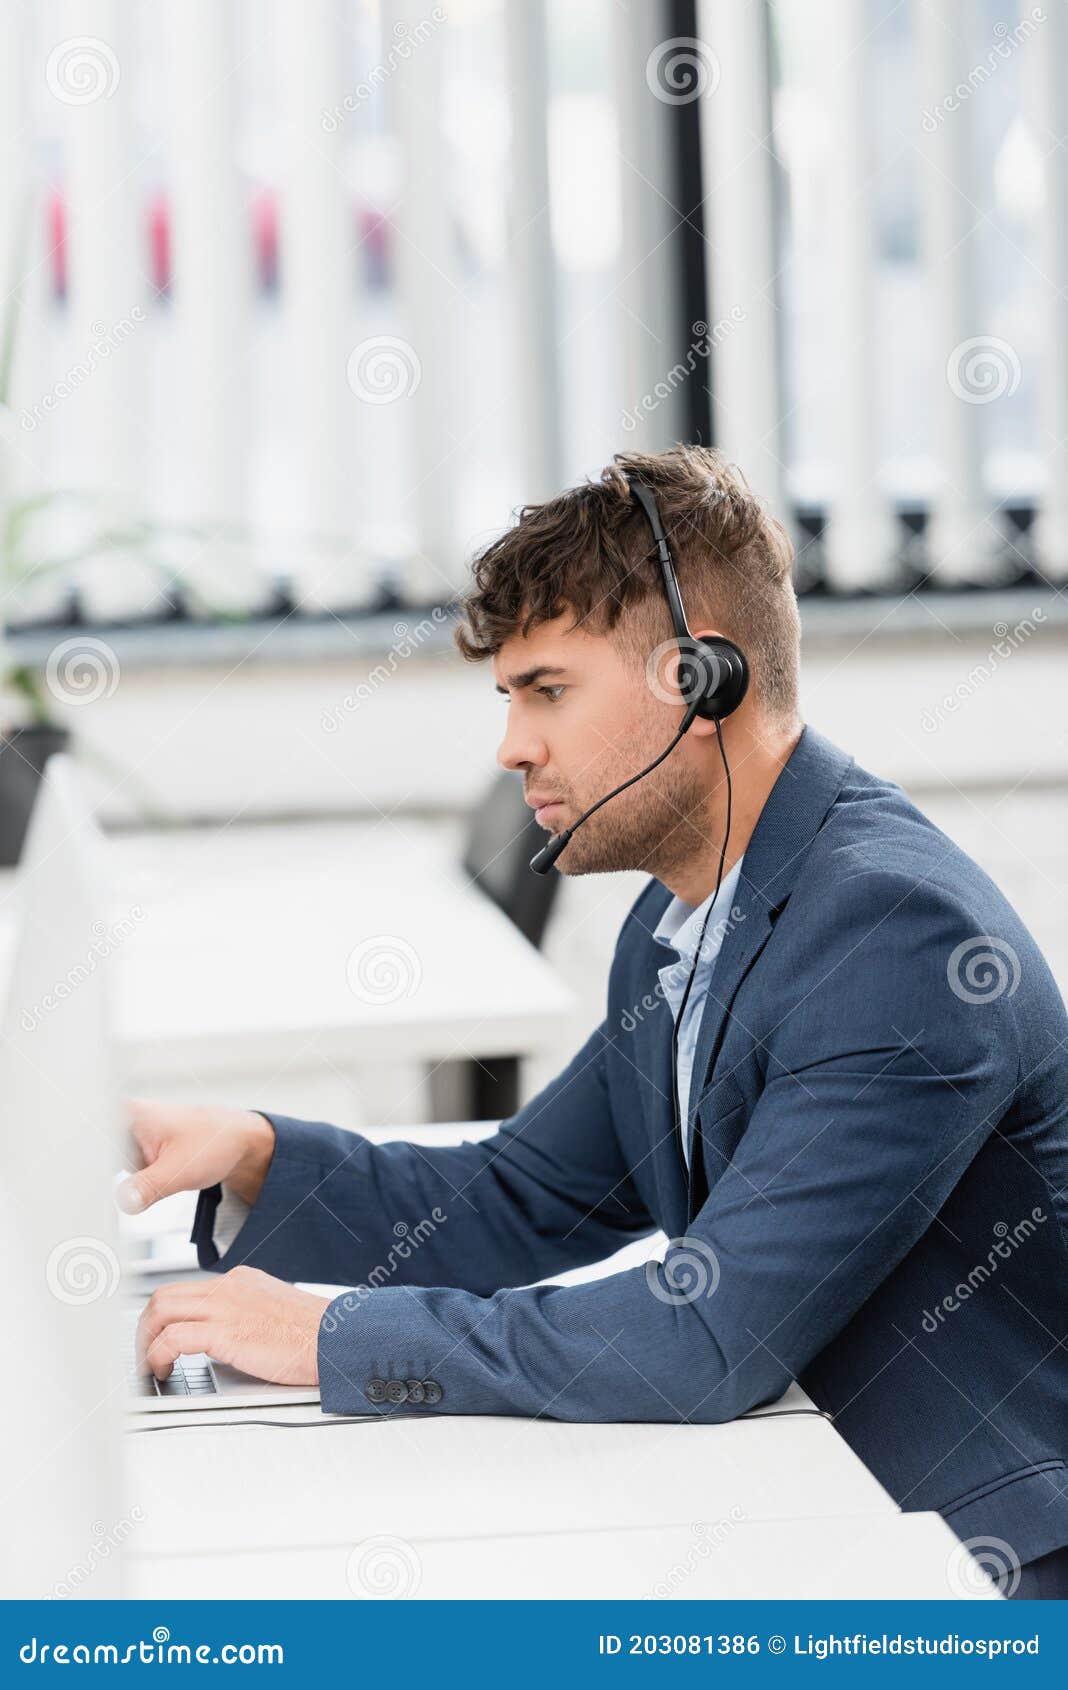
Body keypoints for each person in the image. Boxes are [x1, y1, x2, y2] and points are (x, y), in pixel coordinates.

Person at [127, 446, 1068, 1598]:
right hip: (802, 1495)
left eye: (550, 691)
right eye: (510, 697)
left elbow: (708, 1338)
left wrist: (327, 1337)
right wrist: (257, 1157)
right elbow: (523, 1199)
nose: (512, 745)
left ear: (700, 680)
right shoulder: (684, 914)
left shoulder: (894, 935)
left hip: (973, 1569)